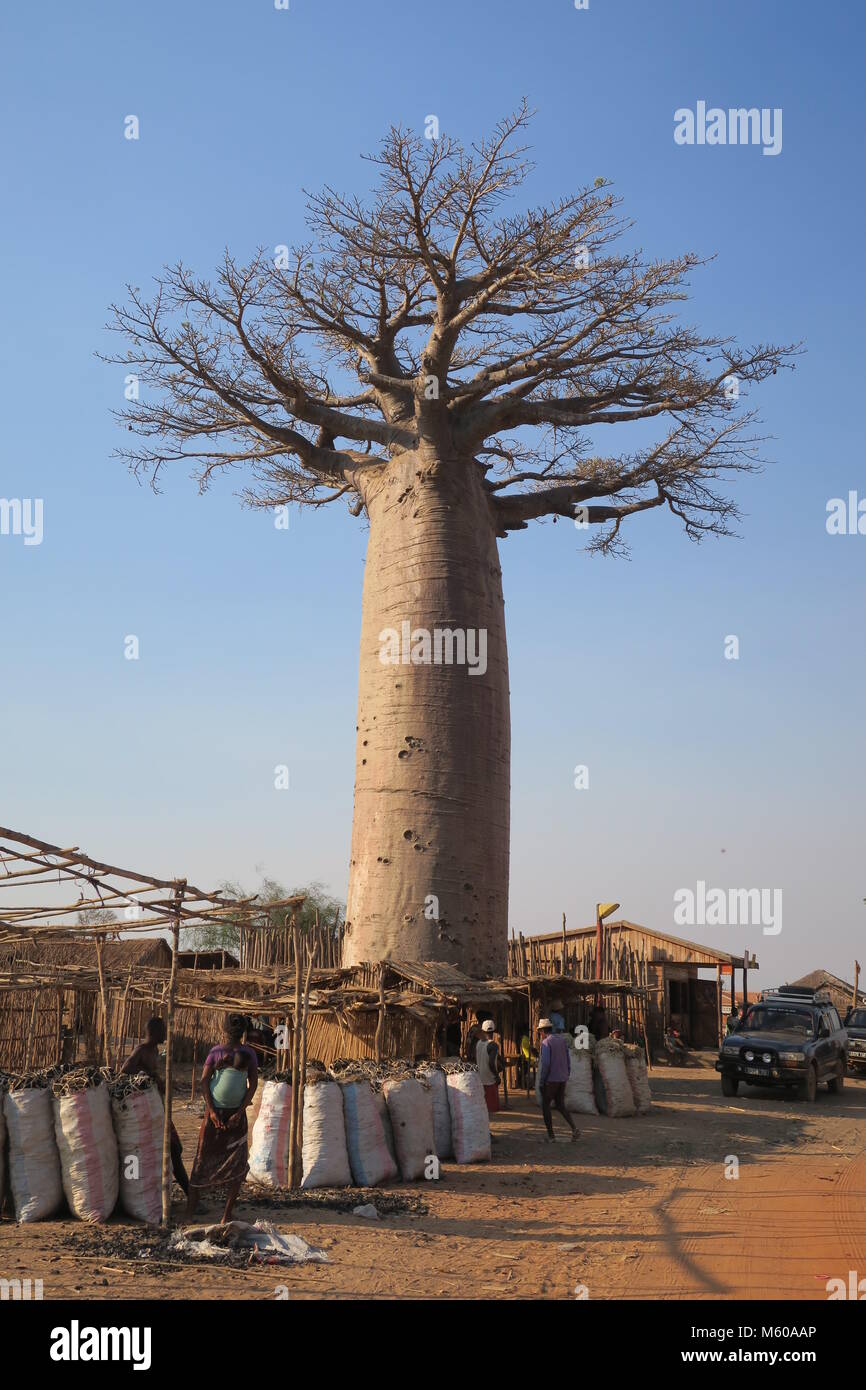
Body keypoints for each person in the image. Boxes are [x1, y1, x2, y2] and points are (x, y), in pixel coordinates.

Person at [185, 1013, 258, 1224]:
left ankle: (226, 1215)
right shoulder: (216, 1052)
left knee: (237, 1162)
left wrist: (240, 1111)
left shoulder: (249, 1054)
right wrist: (212, 1111)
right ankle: (189, 1214)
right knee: (202, 1161)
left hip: (236, 1115)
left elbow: (252, 1084)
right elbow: (204, 1082)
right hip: (214, 1115)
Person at [121, 1016, 189, 1196]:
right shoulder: (142, 1050)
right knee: (173, 1150)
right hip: (146, 1112)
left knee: (175, 1148)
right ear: (155, 1032)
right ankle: (189, 1194)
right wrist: (150, 1075)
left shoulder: (155, 1050)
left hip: (157, 1108)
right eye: (163, 1030)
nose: (166, 1034)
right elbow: (125, 1070)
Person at [537, 1018, 578, 1143]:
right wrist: (566, 1073)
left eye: (540, 1032)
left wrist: (542, 1081)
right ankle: (574, 1129)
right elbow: (567, 1059)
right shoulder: (561, 1041)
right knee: (560, 1105)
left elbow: (546, 1063)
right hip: (562, 1078)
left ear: (543, 1031)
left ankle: (551, 1136)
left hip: (551, 1079)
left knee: (545, 1105)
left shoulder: (546, 1043)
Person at [475, 1019, 502, 1113]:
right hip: (490, 1079)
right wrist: (496, 1076)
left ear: (483, 1031)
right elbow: (491, 1063)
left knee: (484, 1109)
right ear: (494, 1031)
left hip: (481, 1078)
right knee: (492, 1110)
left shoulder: (478, 1043)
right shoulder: (493, 1045)